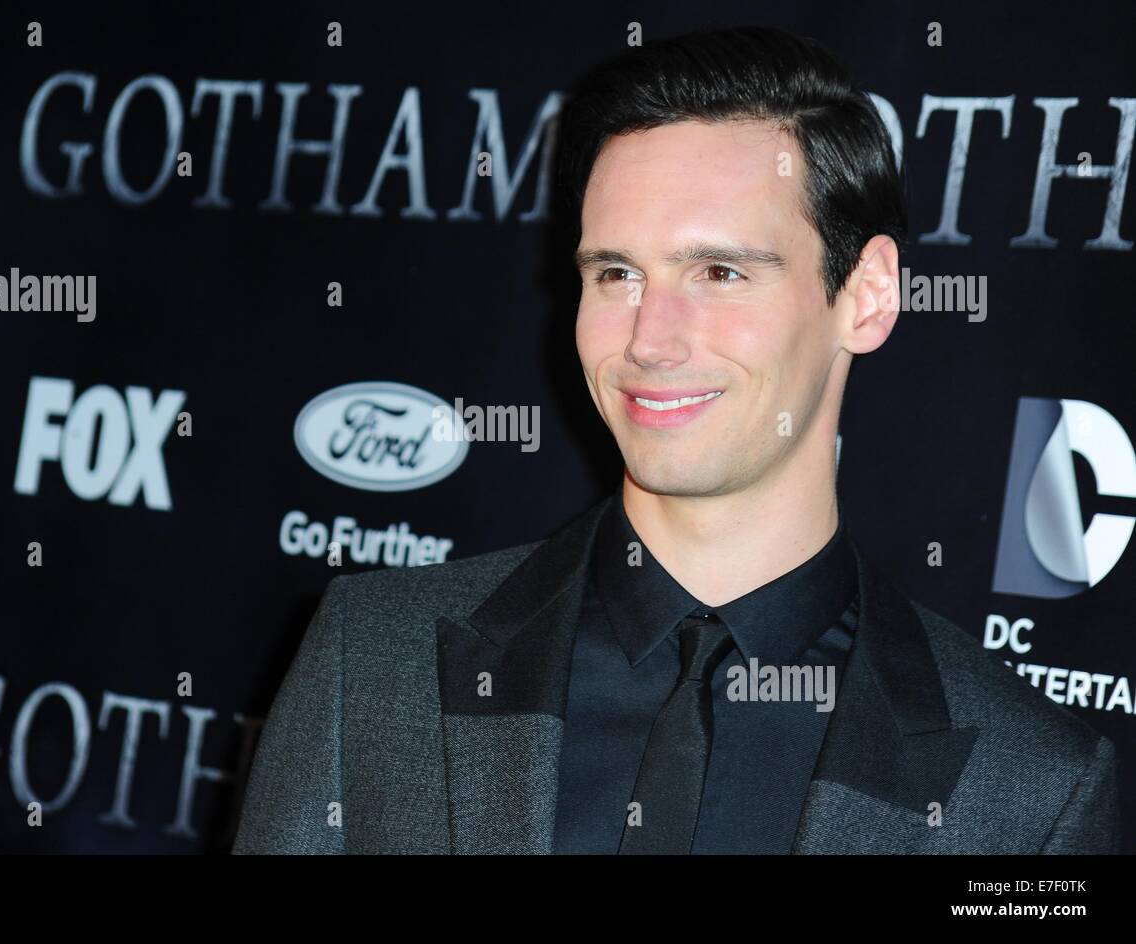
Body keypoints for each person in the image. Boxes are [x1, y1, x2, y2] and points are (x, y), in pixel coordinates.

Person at [233, 25, 1119, 854]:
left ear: (867, 296)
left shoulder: (1031, 791)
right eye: (616, 273)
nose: (649, 340)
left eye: (720, 271)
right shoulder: (373, 665)